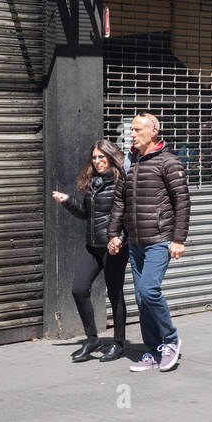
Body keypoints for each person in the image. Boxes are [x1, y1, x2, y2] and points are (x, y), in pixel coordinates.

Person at [107, 112, 191, 372]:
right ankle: (153, 351)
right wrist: (114, 234)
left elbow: (182, 201)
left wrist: (178, 239)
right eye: (131, 129)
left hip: (160, 239)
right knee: (142, 299)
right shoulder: (130, 161)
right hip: (135, 241)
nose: (132, 134)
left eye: (137, 130)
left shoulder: (168, 161)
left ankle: (170, 339)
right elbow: (120, 201)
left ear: (153, 131)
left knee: (149, 290)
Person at [53, 140, 129, 363]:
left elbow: (128, 218)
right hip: (92, 246)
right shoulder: (93, 182)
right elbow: (87, 215)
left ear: (111, 158)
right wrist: (67, 201)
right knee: (78, 289)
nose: (97, 161)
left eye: (101, 157)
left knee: (115, 294)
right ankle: (93, 339)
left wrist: (120, 239)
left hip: (113, 248)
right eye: (94, 157)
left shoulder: (121, 182)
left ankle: (118, 343)